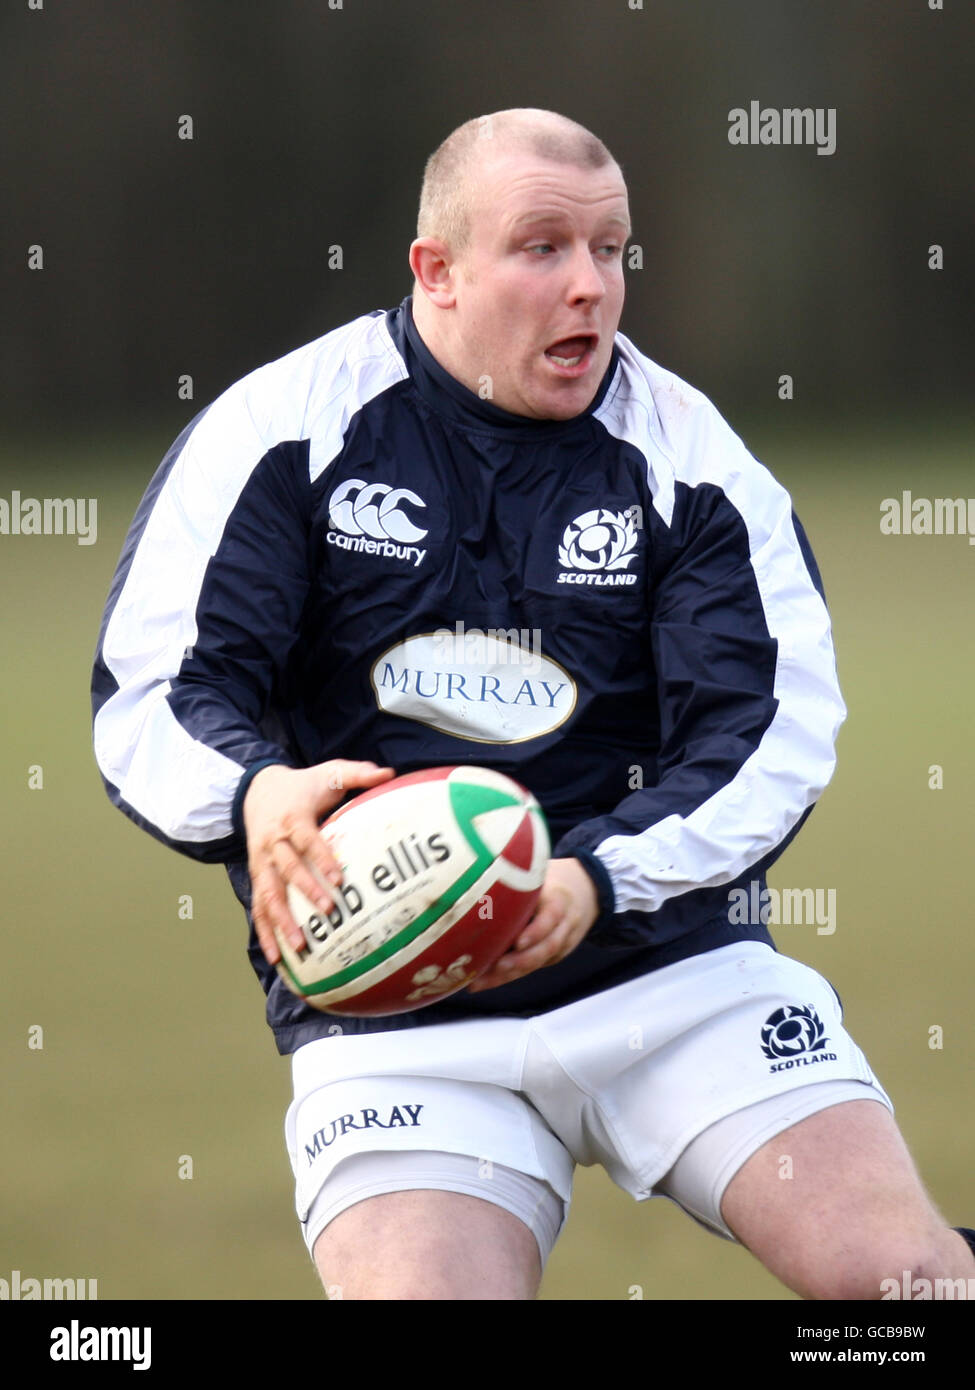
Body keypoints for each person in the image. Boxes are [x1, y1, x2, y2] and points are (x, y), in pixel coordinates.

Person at [91, 107, 975, 1301]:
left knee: (905, 1287)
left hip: (672, 970)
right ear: (436, 270)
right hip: (396, 1003)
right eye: (543, 248)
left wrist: (595, 875)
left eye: (611, 252)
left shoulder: (690, 459)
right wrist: (255, 792)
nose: (590, 290)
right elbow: (155, 690)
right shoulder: (284, 429)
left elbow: (768, 731)